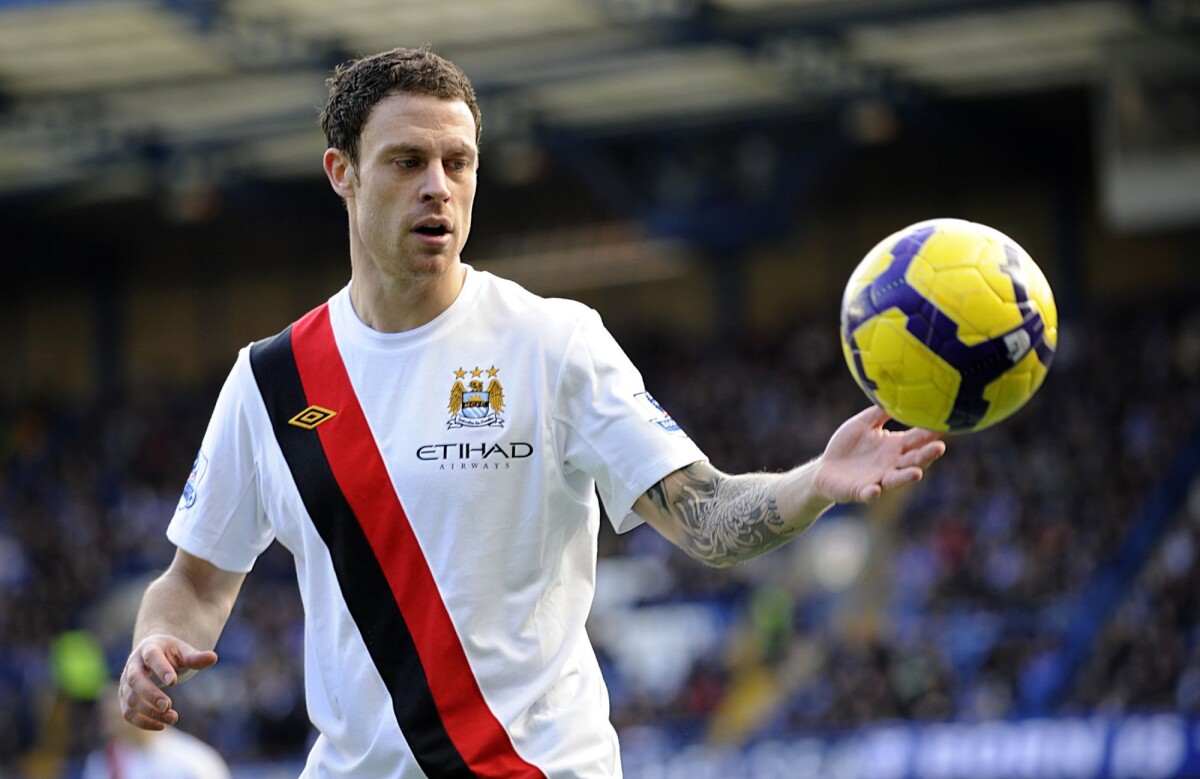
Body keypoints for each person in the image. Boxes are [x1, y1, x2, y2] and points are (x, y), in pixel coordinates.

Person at [118, 45, 946, 777]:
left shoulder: (553, 343)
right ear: (343, 172)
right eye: (407, 161)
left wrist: (816, 481)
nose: (438, 187)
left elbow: (708, 517)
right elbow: (195, 579)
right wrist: (154, 641)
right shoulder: (272, 381)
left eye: (459, 162)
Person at [85, 682, 231, 779]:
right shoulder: (102, 761)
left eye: (115, 717)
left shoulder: (191, 759)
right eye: (105, 717)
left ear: (144, 710)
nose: (107, 726)